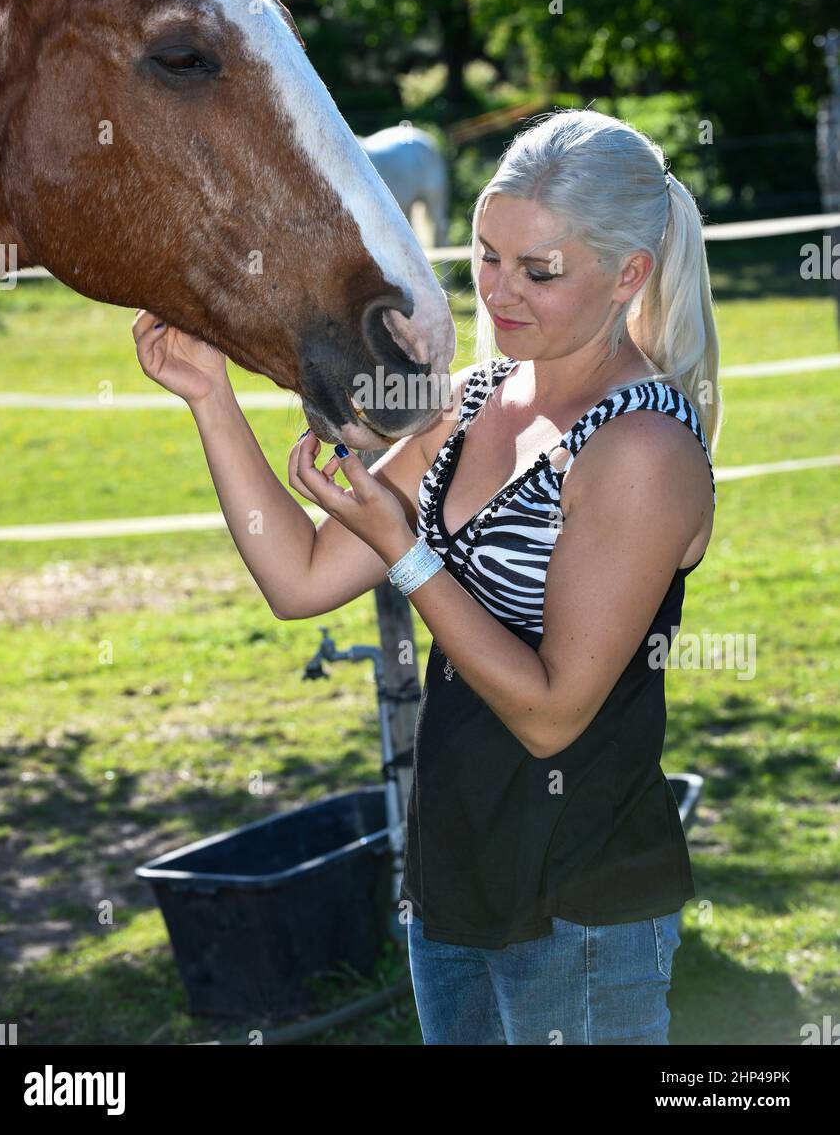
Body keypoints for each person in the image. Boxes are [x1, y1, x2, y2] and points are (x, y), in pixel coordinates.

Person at [133, 107, 721, 1046]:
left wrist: (407, 555)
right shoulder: (471, 405)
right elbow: (301, 578)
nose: (497, 293)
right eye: (486, 255)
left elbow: (551, 711)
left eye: (538, 271)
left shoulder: (640, 447)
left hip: (581, 912)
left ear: (630, 275)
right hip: (451, 888)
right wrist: (212, 398)